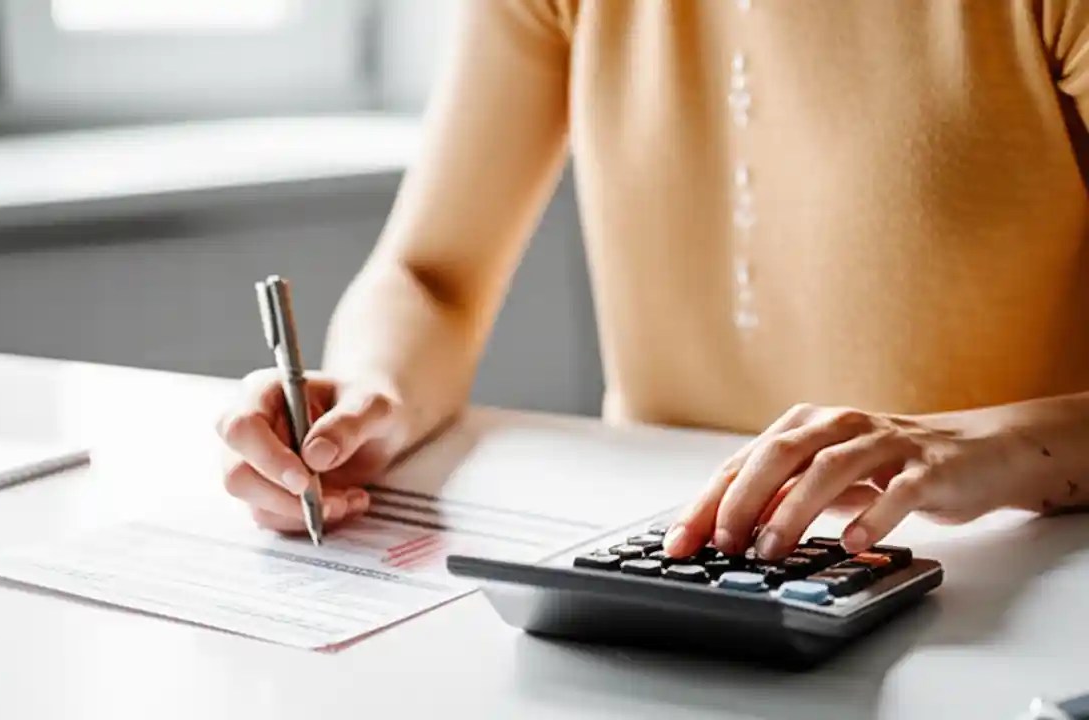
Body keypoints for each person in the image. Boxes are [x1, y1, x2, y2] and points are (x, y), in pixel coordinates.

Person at [216, 0, 1089, 561]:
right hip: (656, 557)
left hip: (1009, 569)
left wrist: (986, 447)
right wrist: (371, 398)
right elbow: (430, 276)